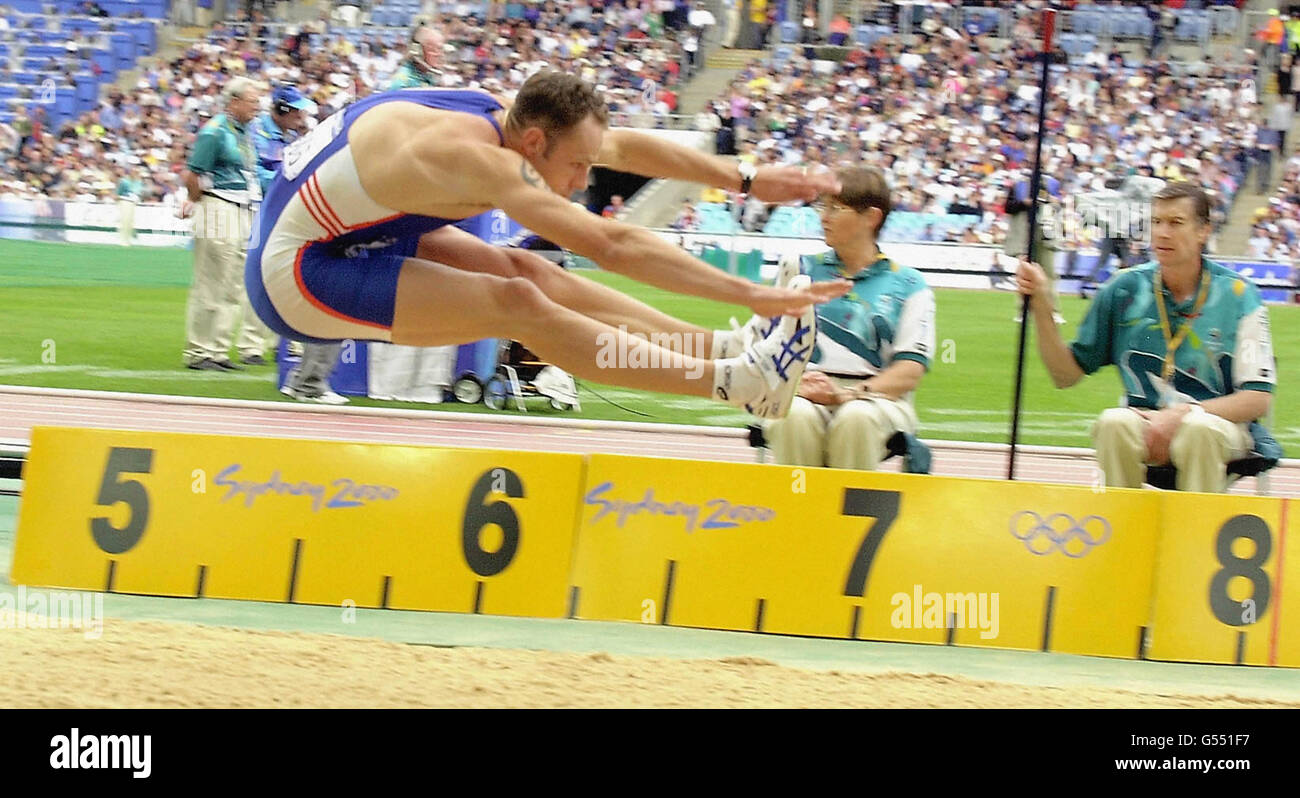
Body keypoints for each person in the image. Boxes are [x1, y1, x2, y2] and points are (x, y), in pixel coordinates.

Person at [246, 73, 849, 420]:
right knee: (518, 304)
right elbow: (610, 244)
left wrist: (741, 178)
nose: (585, 180)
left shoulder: (506, 120)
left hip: (352, 228)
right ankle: (736, 384)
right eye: (578, 166)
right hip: (295, 272)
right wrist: (749, 291)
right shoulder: (475, 161)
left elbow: (626, 147)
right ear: (534, 142)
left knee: (528, 271)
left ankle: (729, 347)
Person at [1016, 182, 1279, 494]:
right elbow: (1064, 375)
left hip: (1217, 424)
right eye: (1156, 222)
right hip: (1146, 421)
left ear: (1203, 231)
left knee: (1198, 431)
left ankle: (1192, 534)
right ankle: (1122, 528)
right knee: (1114, 423)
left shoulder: (1238, 295)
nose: (1162, 233)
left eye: (1175, 223)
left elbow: (1257, 399)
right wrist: (1042, 307)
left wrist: (1183, 414)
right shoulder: (1124, 289)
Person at [762, 166, 935, 472]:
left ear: (871, 218)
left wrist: (846, 394)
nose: (823, 217)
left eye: (834, 208)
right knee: (792, 414)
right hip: (804, 389)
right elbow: (771, 344)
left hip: (878, 399)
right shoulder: (798, 269)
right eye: (821, 206)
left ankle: (848, 515)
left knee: (856, 418)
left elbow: (909, 371)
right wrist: (795, 385)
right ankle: (800, 510)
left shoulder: (909, 285)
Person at [252, 83, 352, 401]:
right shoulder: (273, 137)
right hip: (301, 228)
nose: (300, 116)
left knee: (318, 306)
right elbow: (276, 177)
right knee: (329, 305)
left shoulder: (305, 140)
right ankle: (308, 383)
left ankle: (302, 379)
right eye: (295, 110)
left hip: (297, 227)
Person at [180, 76, 264, 371]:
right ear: (234, 102)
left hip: (242, 207)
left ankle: (218, 349)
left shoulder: (244, 132)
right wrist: (196, 199)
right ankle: (199, 350)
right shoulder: (214, 132)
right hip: (218, 205)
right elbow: (192, 173)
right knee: (211, 280)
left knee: (232, 283)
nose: (258, 107)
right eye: (253, 102)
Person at [388, 24, 444, 90]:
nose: (440, 54)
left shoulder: (428, 77)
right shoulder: (403, 82)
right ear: (418, 51)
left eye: (441, 49)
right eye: (433, 50)